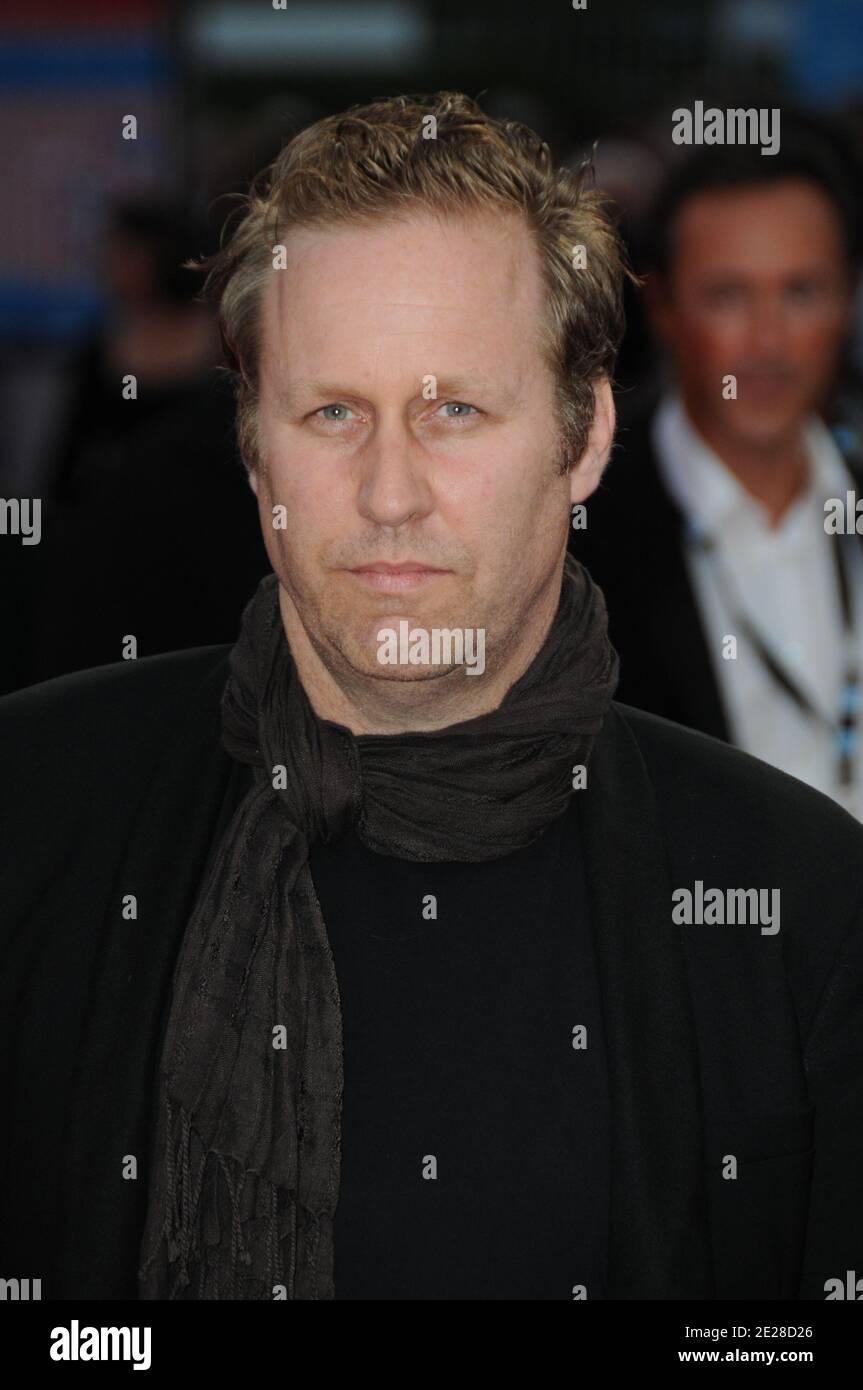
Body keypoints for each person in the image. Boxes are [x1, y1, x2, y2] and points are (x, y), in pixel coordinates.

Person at [1, 92, 861, 1302]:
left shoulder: (801, 904)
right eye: (331, 412)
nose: (389, 492)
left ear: (584, 439)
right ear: (254, 447)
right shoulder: (31, 814)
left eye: (454, 409)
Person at [571, 130, 863, 822]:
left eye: (800, 291)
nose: (766, 343)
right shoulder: (578, 532)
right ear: (663, 308)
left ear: (848, 297)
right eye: (728, 295)